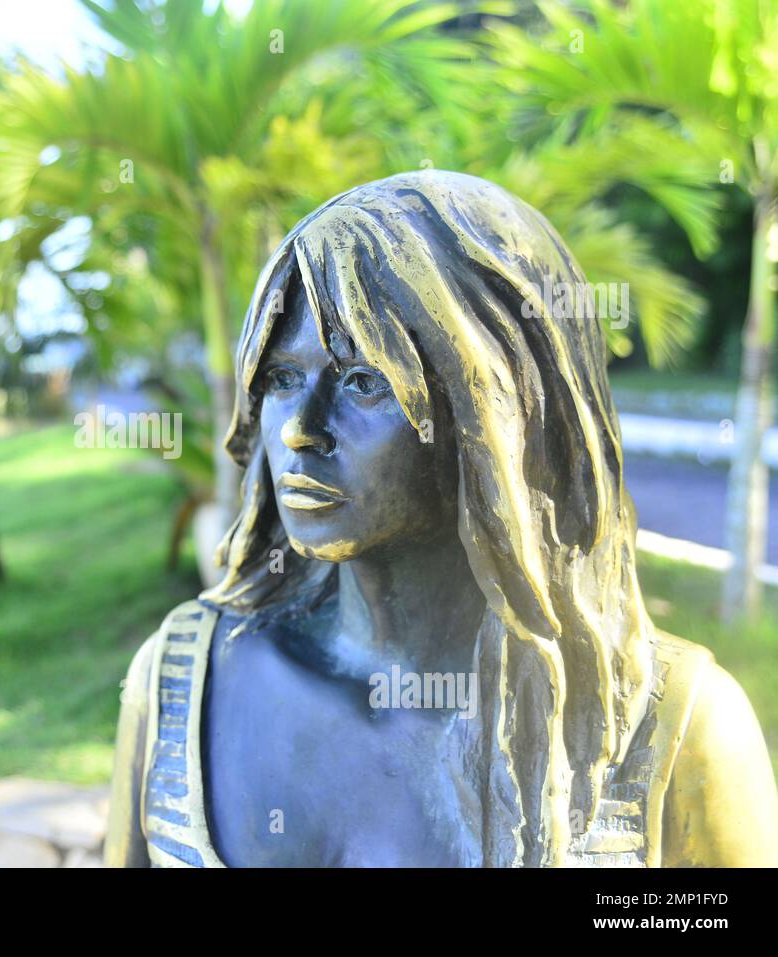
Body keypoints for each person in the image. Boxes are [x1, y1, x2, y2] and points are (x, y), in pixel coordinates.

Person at [104, 170, 778, 867]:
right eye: (281, 379)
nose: (300, 430)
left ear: (498, 415)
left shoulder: (674, 730)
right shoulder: (181, 687)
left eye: (364, 381)